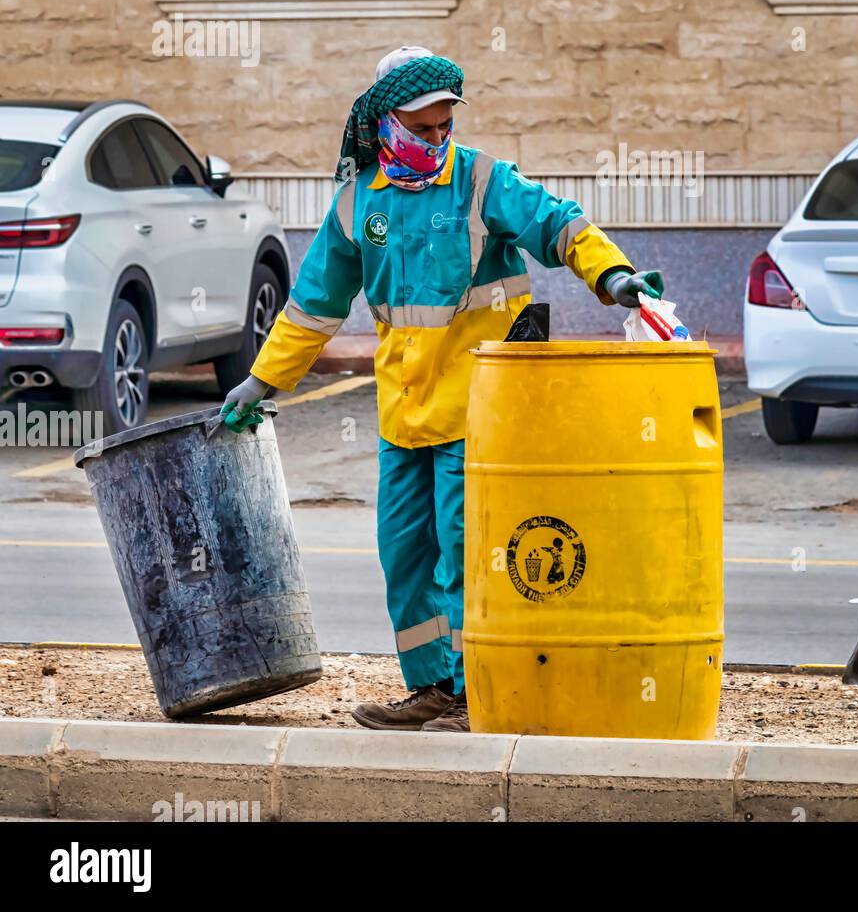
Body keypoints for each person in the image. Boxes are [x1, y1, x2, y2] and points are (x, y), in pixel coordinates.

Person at [221, 46, 663, 733]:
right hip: (406, 415)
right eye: (421, 127)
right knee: (405, 555)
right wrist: (259, 381)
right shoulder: (356, 206)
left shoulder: (483, 181)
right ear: (384, 123)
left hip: (487, 408)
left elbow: (561, 224)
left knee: (468, 556)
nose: (436, 138)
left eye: (443, 126)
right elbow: (312, 308)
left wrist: (614, 276)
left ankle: (480, 694)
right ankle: (432, 688)